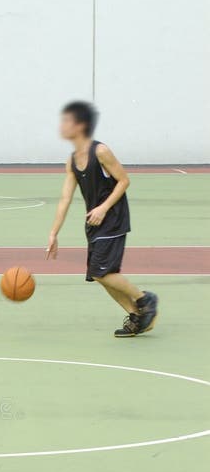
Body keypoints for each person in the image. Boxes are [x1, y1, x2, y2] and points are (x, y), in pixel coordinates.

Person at [46, 101, 158, 337]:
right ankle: (137, 316)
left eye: (67, 120)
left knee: (100, 272)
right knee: (103, 276)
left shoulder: (101, 151)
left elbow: (124, 180)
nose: (62, 125)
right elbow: (65, 198)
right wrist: (54, 232)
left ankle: (144, 300)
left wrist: (104, 208)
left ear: (81, 125)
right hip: (94, 223)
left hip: (113, 218)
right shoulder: (72, 160)